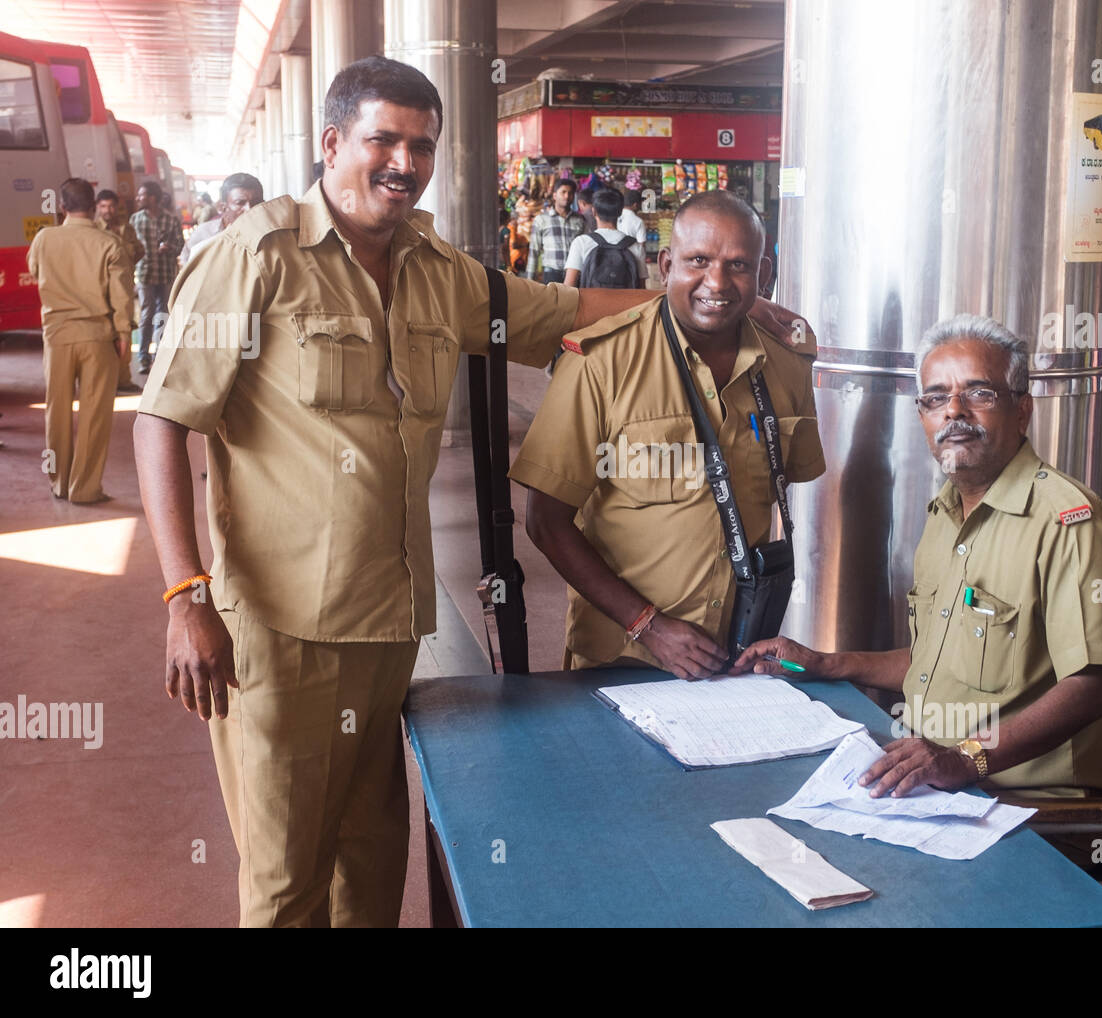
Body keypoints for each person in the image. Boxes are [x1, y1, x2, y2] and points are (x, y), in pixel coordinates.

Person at [134, 56, 809, 928]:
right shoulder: (255, 259)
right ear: (333, 142)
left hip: (386, 625)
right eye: (383, 140)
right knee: (285, 877)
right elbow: (163, 420)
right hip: (278, 626)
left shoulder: (435, 269)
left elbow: (564, 314)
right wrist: (185, 593)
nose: (403, 163)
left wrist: (711, 296)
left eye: (422, 146)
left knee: (371, 864)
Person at [736, 314, 1102, 805]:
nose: (954, 412)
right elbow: (933, 662)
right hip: (939, 781)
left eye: (979, 393)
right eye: (936, 398)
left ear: (1023, 411)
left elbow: (1088, 689)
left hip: (1032, 806)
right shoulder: (947, 513)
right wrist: (825, 663)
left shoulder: (1069, 523)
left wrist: (965, 759)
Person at [514, 189, 825, 677]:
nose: (716, 282)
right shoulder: (602, 363)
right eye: (698, 260)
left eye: (739, 265)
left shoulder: (787, 364)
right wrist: (648, 625)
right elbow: (546, 521)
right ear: (666, 265)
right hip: (622, 657)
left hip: (737, 659)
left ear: (763, 275)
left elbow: (786, 494)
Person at [26, 178, 133, 503]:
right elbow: (122, 295)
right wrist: (124, 332)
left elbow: (34, 269)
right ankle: (85, 489)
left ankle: (58, 482)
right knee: (95, 414)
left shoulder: (44, 238)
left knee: (56, 410)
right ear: (92, 206)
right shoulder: (109, 242)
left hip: (57, 336)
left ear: (61, 206)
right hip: (97, 337)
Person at [93, 188, 144, 393]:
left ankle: (124, 379)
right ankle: (105, 381)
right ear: (97, 207)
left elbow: (139, 251)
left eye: (111, 206)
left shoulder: (126, 229)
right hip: (102, 290)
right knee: (105, 335)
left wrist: (127, 267)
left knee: (126, 329)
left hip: (124, 287)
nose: (108, 210)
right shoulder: (95, 229)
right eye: (104, 206)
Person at [130, 179, 183, 373]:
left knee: (162, 316)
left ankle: (159, 356)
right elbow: (130, 248)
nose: (138, 198)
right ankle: (143, 358)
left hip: (165, 274)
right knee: (146, 315)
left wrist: (169, 248)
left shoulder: (171, 220)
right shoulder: (135, 219)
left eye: (142, 195)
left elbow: (179, 247)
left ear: (152, 198)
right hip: (145, 275)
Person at [562, 187, 645, 289]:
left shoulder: (581, 243)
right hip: (629, 305)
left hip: (590, 304)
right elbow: (641, 290)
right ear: (620, 212)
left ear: (594, 212)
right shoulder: (635, 247)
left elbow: (568, 287)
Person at [180, 172, 264, 265]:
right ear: (223, 207)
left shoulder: (268, 235)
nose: (249, 209)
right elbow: (187, 269)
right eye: (240, 203)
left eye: (256, 202)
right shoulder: (204, 234)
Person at [526, 178, 585, 283]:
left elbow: (584, 249)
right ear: (554, 195)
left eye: (570, 193)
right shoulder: (541, 220)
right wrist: (529, 279)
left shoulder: (580, 220)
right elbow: (534, 251)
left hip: (574, 274)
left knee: (572, 300)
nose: (567, 196)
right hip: (551, 273)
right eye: (563, 192)